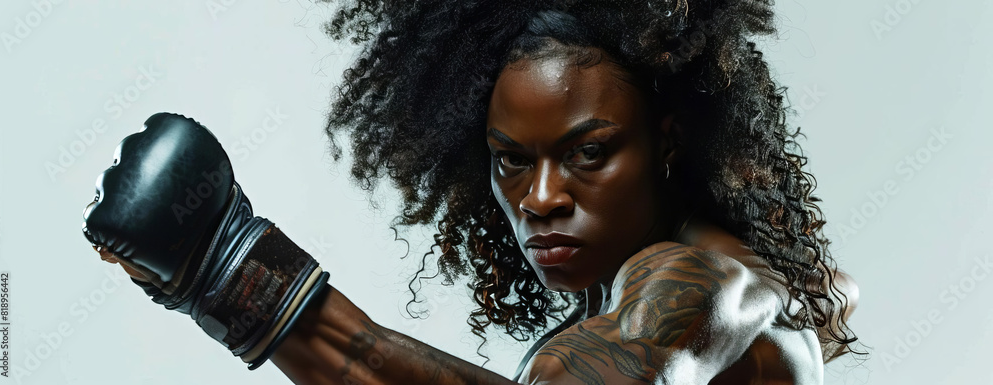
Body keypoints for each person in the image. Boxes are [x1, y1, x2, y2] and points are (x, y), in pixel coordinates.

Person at [84, 1, 861, 384]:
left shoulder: (714, 283)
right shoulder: (620, 289)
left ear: (666, 141)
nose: (542, 196)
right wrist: (233, 281)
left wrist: (233, 266)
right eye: (512, 161)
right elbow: (363, 351)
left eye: (588, 152)